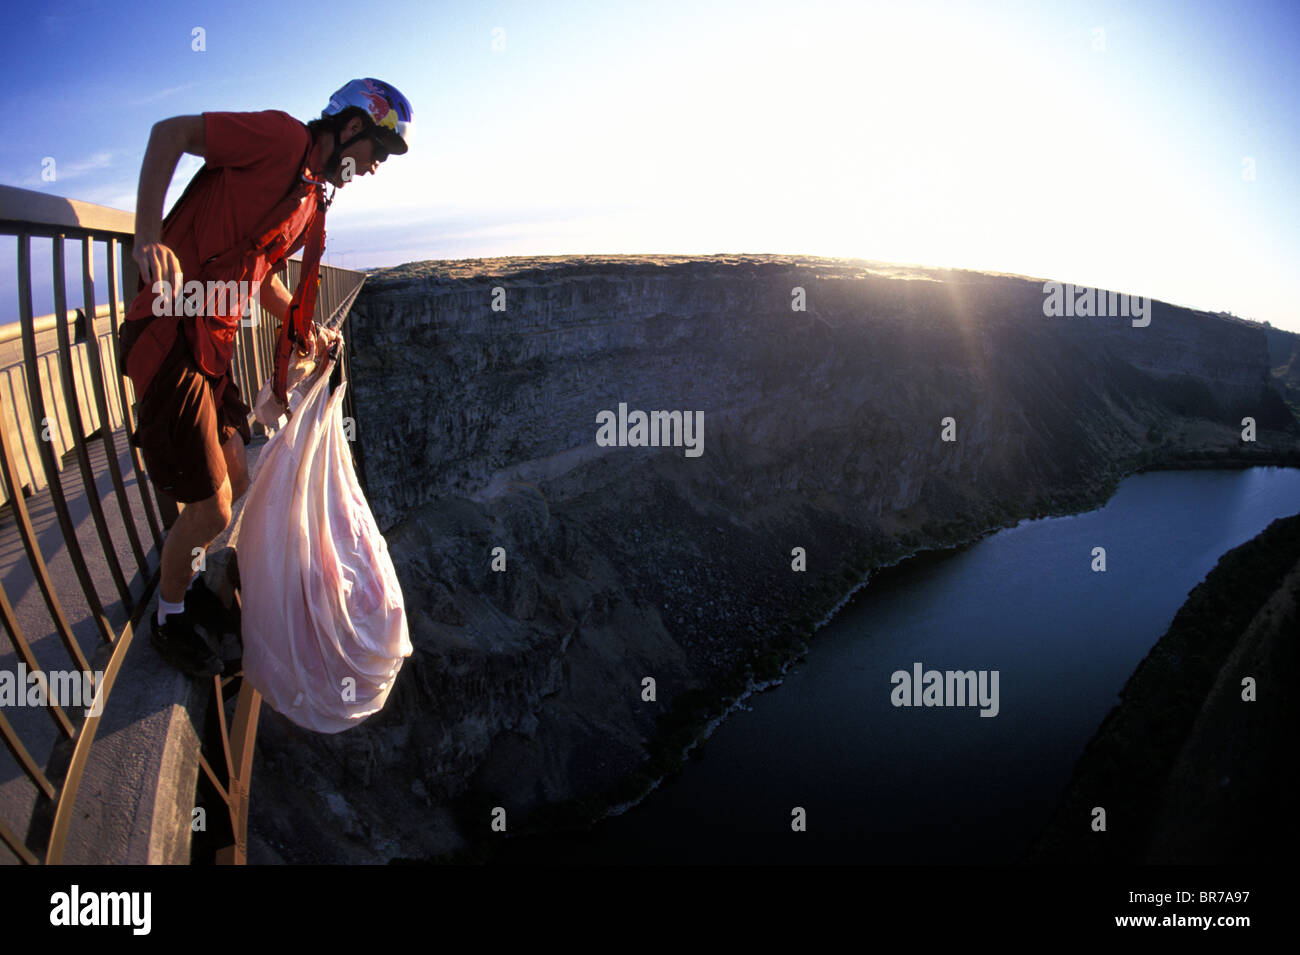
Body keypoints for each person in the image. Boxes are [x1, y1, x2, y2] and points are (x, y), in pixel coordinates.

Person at [118, 78, 413, 677]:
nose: (375, 168)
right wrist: (146, 238)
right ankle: (167, 618)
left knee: (236, 472)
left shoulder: (307, 192)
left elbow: (262, 278)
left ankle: (189, 579)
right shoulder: (281, 140)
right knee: (212, 511)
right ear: (352, 128)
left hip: (210, 345)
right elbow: (168, 133)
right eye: (378, 152)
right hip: (170, 335)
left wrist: (305, 330)